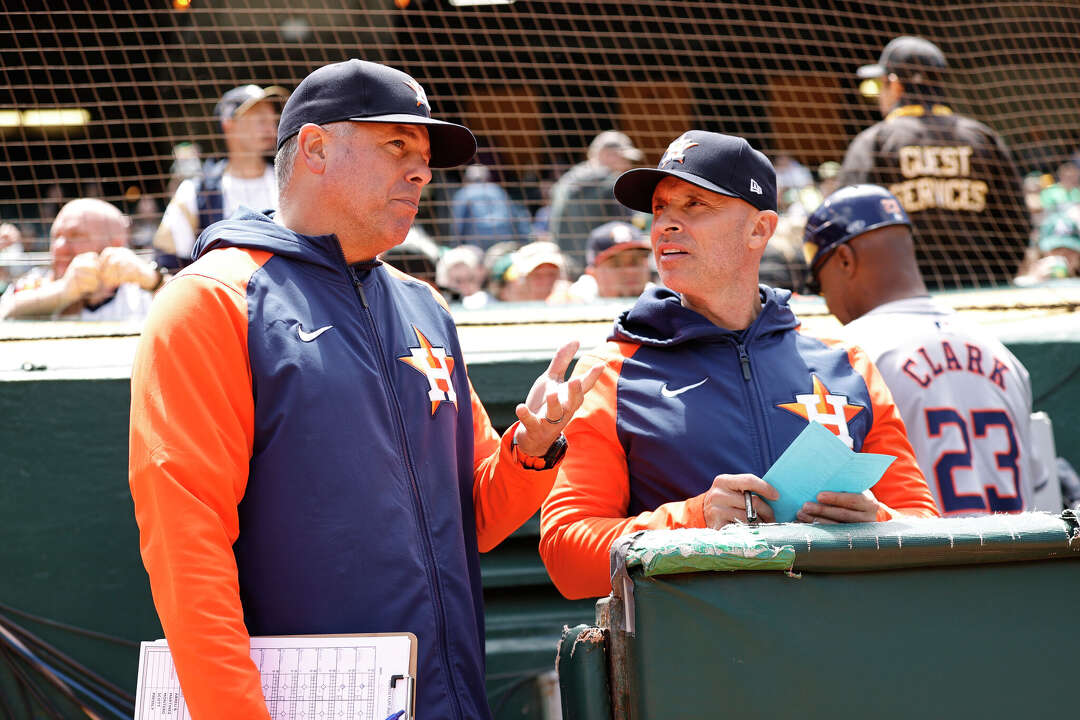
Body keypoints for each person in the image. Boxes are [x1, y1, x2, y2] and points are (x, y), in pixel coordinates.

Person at [128, 59, 602, 720]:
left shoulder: (424, 305)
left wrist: (533, 447)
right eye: (396, 146)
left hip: (448, 697)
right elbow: (187, 554)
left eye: (426, 156)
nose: (421, 170)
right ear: (316, 147)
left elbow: (480, 522)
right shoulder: (213, 301)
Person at [539, 131, 938, 600]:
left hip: (844, 648)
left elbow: (923, 529)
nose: (666, 223)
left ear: (759, 229)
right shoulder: (612, 372)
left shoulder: (843, 361)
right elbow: (567, 556)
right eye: (661, 207)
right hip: (696, 660)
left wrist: (877, 523)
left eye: (694, 205)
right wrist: (696, 520)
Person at [803, 184, 1047, 515]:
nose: (826, 299)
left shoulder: (851, 358)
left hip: (925, 561)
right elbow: (1038, 485)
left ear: (844, 259)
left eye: (820, 283)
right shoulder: (1001, 354)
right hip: (1014, 558)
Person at [838, 36, 1030, 289]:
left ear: (894, 85)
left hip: (900, 291)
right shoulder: (983, 138)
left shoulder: (874, 142)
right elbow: (1016, 220)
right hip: (984, 285)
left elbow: (847, 221)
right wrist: (999, 276)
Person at [152, 84, 289, 271]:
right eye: (259, 119)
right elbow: (168, 263)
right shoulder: (197, 191)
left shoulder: (289, 182)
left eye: (272, 119)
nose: (270, 126)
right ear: (228, 124)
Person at [0, 198, 163, 320]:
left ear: (115, 245)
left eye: (75, 236)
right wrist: (63, 291)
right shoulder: (35, 282)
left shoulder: (138, 294)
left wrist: (154, 280)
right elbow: (5, 310)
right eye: (56, 236)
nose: (59, 247)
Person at [548, 130, 643, 263]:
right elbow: (627, 229)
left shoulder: (566, 181)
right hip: (603, 262)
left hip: (567, 261)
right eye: (624, 158)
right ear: (606, 154)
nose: (628, 165)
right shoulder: (610, 184)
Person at [565, 221, 652, 302]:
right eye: (616, 264)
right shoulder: (576, 302)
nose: (629, 271)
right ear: (592, 273)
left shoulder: (659, 298)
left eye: (635, 261)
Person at [450, 163, 530, 249]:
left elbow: (457, 223)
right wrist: (524, 240)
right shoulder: (498, 190)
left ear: (466, 179)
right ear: (488, 178)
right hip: (503, 239)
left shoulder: (463, 193)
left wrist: (455, 246)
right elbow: (516, 216)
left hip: (477, 242)